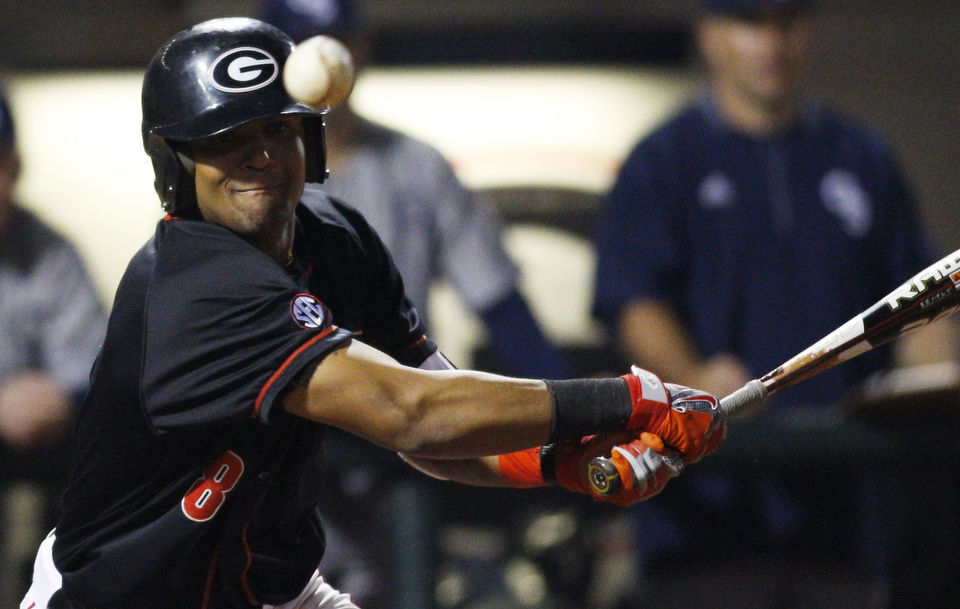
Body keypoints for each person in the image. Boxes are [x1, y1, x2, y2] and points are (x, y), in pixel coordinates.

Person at [18, 18, 727, 609]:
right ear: (175, 164)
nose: (259, 155)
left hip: (274, 585)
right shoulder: (195, 284)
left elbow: (440, 422)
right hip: (125, 596)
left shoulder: (337, 235)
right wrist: (626, 398)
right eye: (223, 140)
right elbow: (408, 411)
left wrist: (560, 461)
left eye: (276, 128)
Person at [592, 0, 957, 605]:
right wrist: (697, 382)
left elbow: (925, 291)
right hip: (705, 522)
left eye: (784, 24)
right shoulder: (664, 160)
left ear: (806, 33)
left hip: (844, 515)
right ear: (712, 36)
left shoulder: (859, 155)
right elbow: (634, 301)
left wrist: (929, 383)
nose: (771, 44)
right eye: (750, 24)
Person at [260, 0, 570, 381]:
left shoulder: (416, 163)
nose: (321, 62)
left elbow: (496, 298)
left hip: (400, 403)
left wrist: (565, 407)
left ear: (361, 46)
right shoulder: (252, 173)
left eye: (336, 41)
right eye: (302, 45)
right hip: (284, 403)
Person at [0, 89, 107, 604]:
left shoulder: (48, 249)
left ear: (14, 167)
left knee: (108, 449)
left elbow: (91, 363)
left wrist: (61, 395)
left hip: (40, 444)